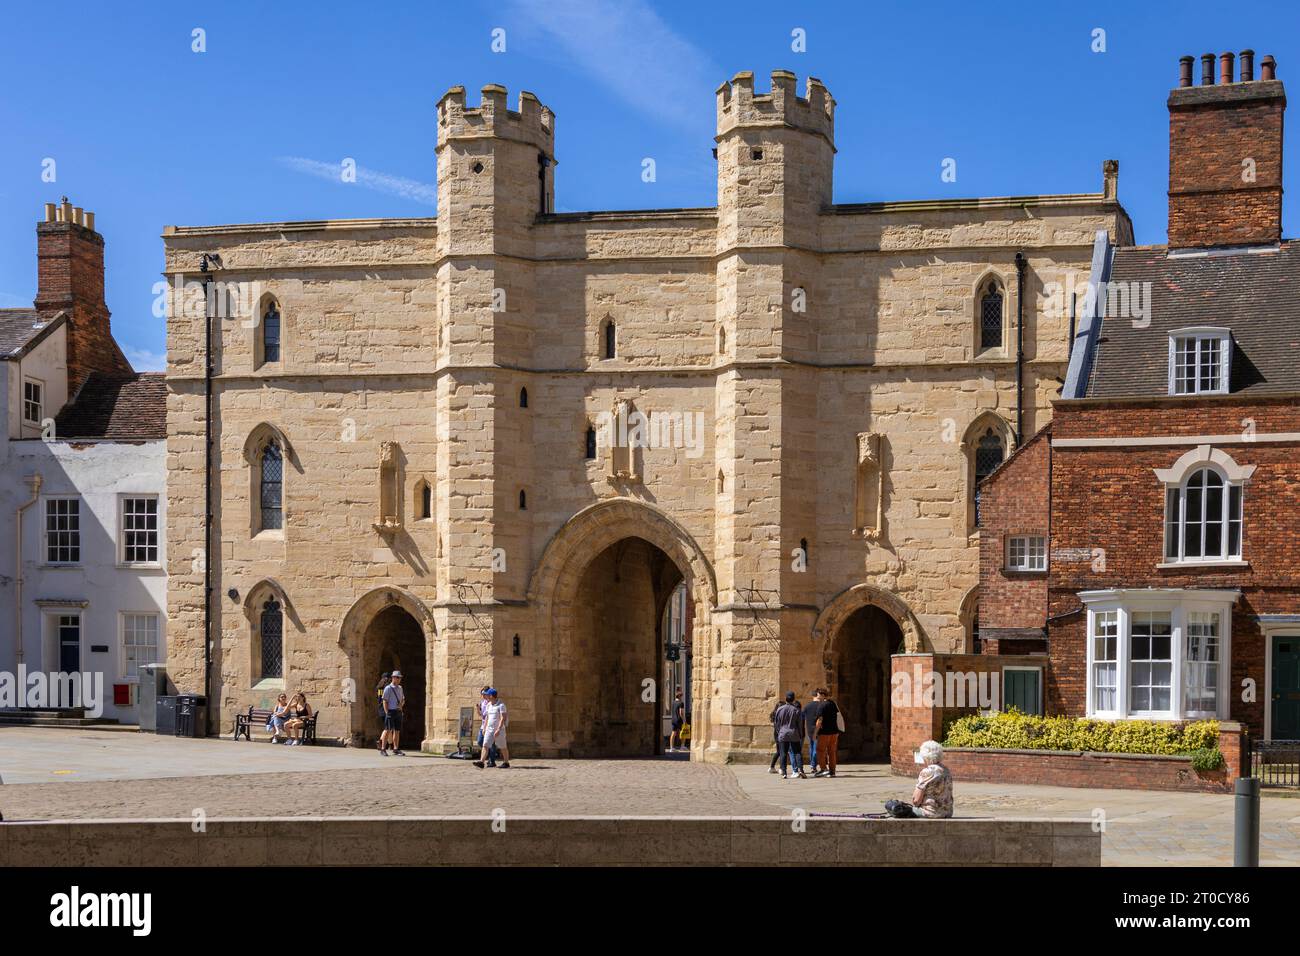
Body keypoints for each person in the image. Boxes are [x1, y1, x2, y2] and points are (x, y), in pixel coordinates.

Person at [885, 740, 953, 818]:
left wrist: (915, 804)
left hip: (930, 812)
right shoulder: (946, 771)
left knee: (895, 808)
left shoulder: (927, 772)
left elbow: (916, 800)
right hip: (947, 812)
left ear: (926, 756)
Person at [474, 688, 509, 769]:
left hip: (499, 730)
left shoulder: (501, 705)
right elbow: (487, 717)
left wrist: (498, 729)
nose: (486, 696)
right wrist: (484, 728)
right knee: (485, 745)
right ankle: (481, 762)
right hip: (489, 729)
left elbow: (502, 718)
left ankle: (506, 762)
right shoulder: (489, 705)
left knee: (502, 746)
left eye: (487, 695)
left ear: (491, 696)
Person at [773, 691, 805, 779]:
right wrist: (800, 734)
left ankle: (784, 772)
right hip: (794, 733)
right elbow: (799, 724)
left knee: (783, 753)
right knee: (797, 752)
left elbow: (776, 723)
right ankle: (801, 770)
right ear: (793, 699)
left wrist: (779, 731)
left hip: (783, 733)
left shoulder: (780, 709)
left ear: (786, 698)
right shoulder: (796, 710)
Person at [813, 687, 841, 778]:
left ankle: (823, 769)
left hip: (825, 732)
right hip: (834, 731)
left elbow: (819, 720)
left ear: (822, 695)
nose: (817, 696)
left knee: (820, 750)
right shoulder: (833, 703)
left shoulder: (822, 705)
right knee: (832, 751)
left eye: (818, 694)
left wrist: (815, 733)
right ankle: (832, 771)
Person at [382, 671, 405, 756]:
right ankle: (383, 748)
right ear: (393, 678)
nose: (399, 679)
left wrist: (401, 705)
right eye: (397, 677)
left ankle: (396, 748)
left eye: (400, 678)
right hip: (390, 711)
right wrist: (387, 712)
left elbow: (402, 699)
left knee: (397, 731)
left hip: (398, 711)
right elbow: (385, 700)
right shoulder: (388, 688)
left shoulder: (400, 688)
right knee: (387, 730)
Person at [475, 686, 500, 766]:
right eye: (482, 694)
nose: (483, 696)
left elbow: (489, 716)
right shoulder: (482, 702)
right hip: (483, 725)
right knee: (480, 741)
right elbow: (482, 715)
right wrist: (478, 709)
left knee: (490, 744)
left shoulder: (491, 703)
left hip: (490, 726)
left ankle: (491, 761)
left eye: (484, 694)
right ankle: (489, 755)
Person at [801, 690, 822, 771]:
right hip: (819, 728)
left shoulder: (807, 706)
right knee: (816, 748)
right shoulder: (821, 705)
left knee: (811, 747)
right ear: (817, 695)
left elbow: (802, 717)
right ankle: (813, 765)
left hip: (809, 729)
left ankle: (812, 764)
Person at [375, 673, 391, 753]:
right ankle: (382, 741)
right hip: (386, 709)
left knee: (387, 727)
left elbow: (378, 698)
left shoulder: (378, 687)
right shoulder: (387, 687)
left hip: (380, 708)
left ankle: (388, 744)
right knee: (388, 728)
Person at [667, 689, 686, 753]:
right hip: (679, 720)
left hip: (673, 720)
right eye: (681, 696)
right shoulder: (681, 703)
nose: (682, 697)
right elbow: (681, 713)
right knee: (683, 733)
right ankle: (682, 746)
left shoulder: (673, 702)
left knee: (673, 733)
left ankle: (671, 748)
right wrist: (684, 719)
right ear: (680, 696)